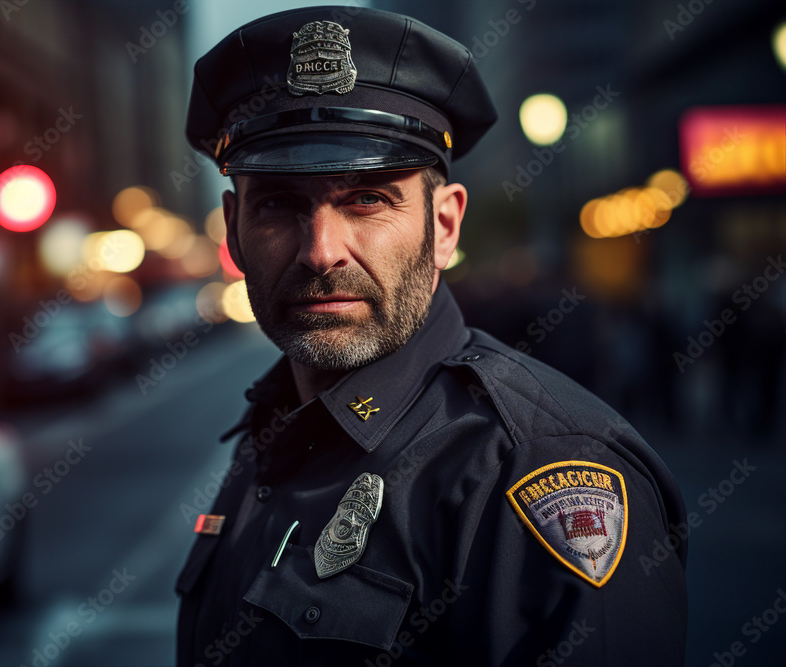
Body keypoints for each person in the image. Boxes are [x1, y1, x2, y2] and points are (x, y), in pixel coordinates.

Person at [176, 6, 688, 665]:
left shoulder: (533, 467)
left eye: (367, 199)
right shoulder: (273, 433)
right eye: (278, 202)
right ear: (234, 229)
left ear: (444, 227)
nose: (321, 250)